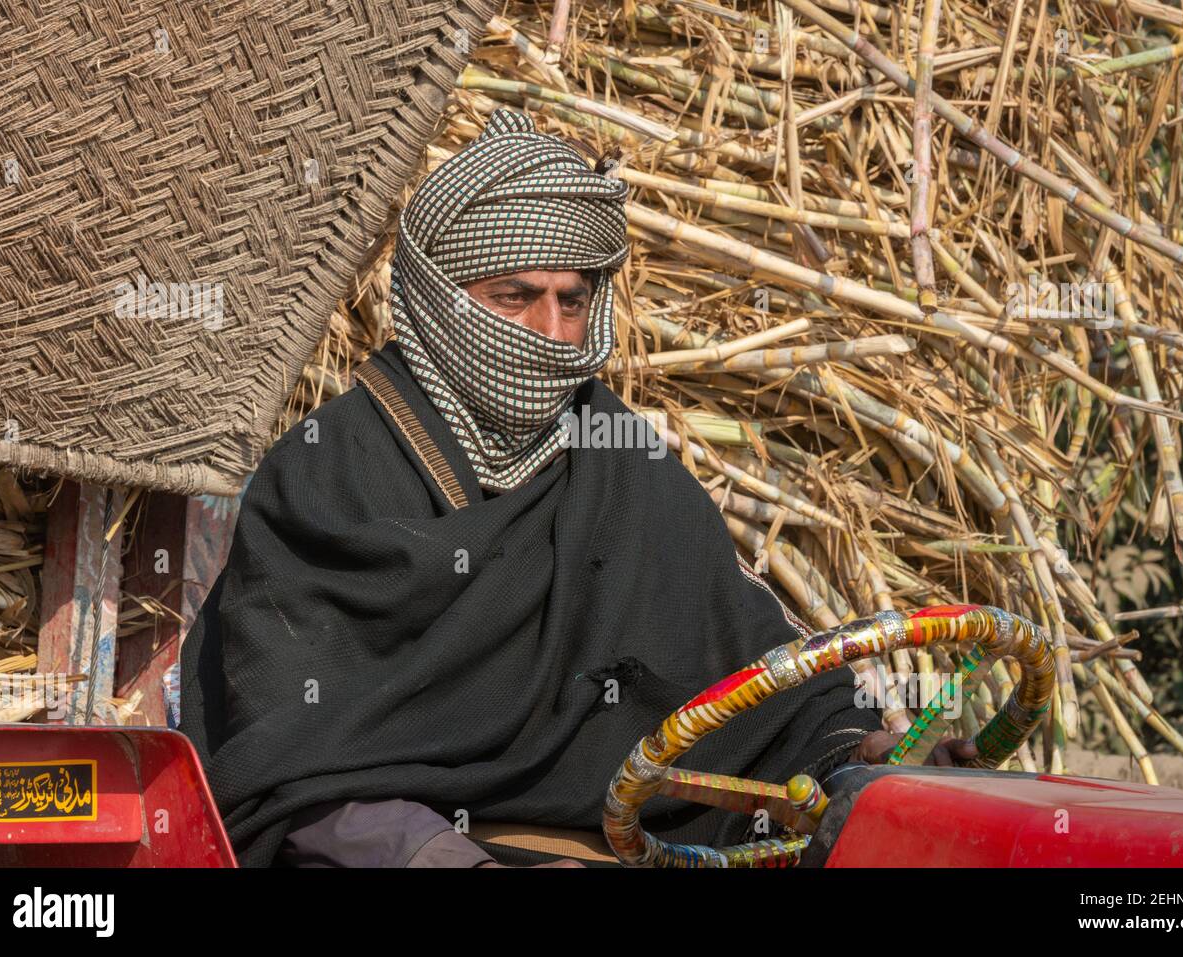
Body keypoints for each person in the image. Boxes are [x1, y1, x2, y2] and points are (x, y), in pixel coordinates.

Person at [177, 109, 973, 869]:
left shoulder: (621, 461)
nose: (551, 334)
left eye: (573, 300)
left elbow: (753, 680)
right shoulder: (326, 475)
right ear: (437, 295)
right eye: (513, 297)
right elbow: (290, 763)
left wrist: (855, 758)